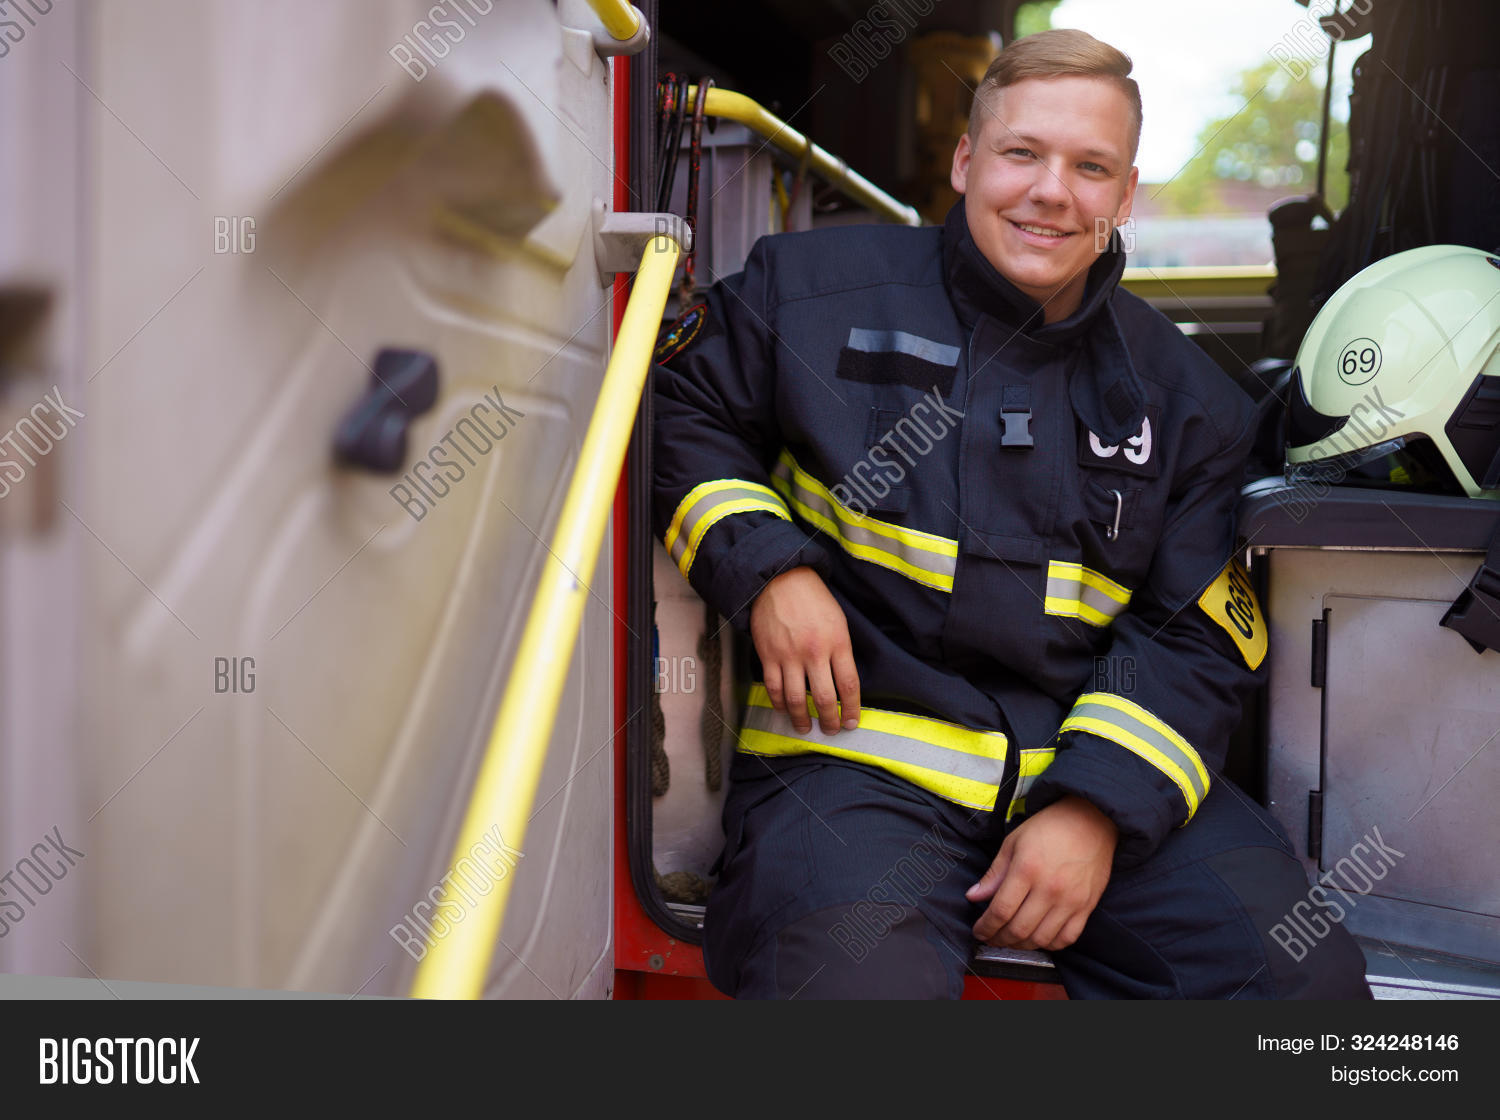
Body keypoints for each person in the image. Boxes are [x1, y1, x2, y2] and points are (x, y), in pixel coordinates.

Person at [651, 28, 1371, 999]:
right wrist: (768, 566)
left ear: (1124, 195)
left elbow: (1194, 633)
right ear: (964, 159)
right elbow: (672, 408)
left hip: (1090, 780)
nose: (1050, 191)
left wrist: (1096, 810)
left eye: (1090, 167)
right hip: (853, 774)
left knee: (1303, 984)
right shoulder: (813, 293)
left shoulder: (1190, 399)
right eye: (1022, 153)